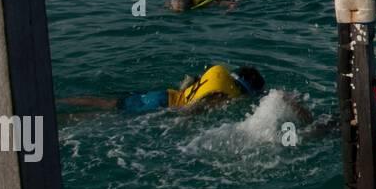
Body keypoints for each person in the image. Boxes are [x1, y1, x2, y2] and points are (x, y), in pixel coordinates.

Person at [59, 63, 312, 121]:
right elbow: (195, 108)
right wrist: (182, 123)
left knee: (112, 103)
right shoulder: (226, 94)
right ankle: (67, 119)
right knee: (110, 114)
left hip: (165, 94)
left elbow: (191, 83)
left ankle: (61, 99)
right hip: (162, 106)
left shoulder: (219, 73)